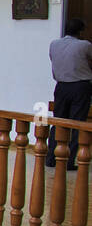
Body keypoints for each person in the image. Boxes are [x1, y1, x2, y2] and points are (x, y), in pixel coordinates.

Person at [47, 18, 92, 169]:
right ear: (80, 32)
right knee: (76, 123)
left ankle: (51, 157)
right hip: (80, 86)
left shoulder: (54, 44)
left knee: (58, 122)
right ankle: (68, 160)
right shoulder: (85, 45)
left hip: (61, 87)